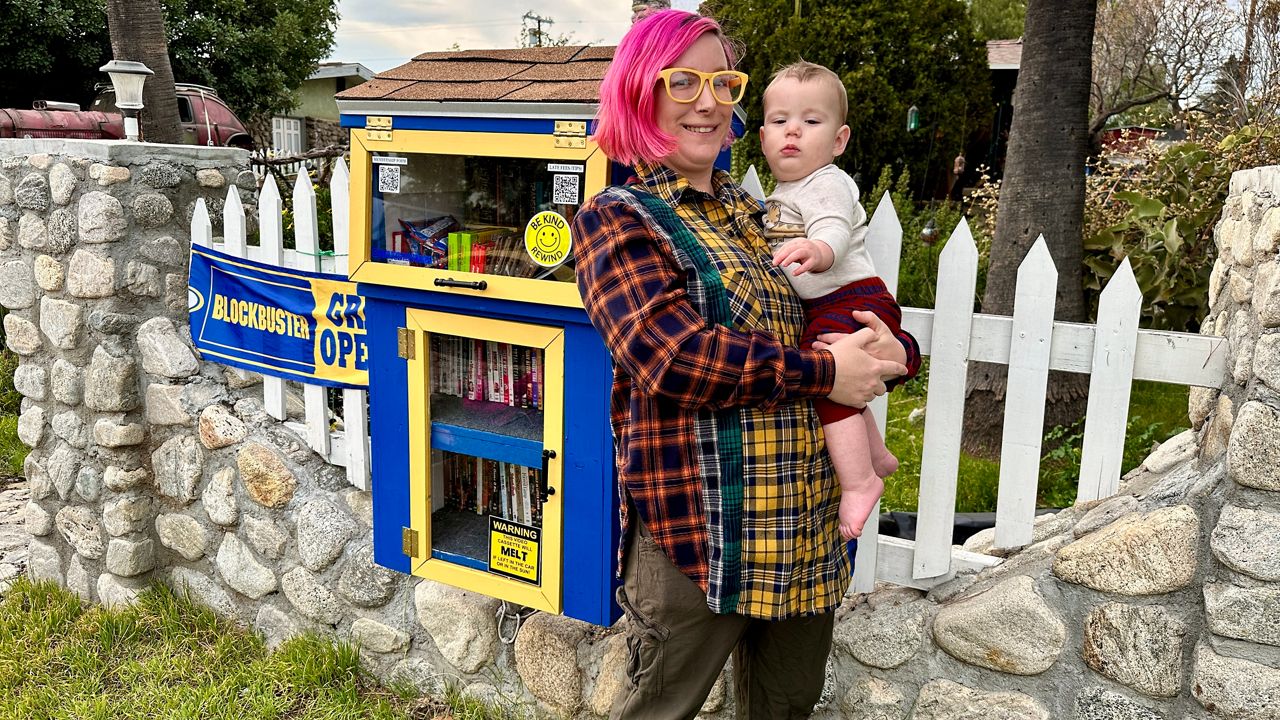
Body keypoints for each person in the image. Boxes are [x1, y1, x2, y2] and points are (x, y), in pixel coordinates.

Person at [570, 10, 920, 718]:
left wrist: (894, 352)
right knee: (658, 710)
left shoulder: (759, 211)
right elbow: (671, 355)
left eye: (723, 82)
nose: (707, 101)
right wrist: (826, 374)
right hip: (702, 538)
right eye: (683, 81)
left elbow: (834, 309)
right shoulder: (618, 218)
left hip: (802, 531)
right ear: (640, 92)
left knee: (785, 707)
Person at [758, 61, 904, 542]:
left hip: (852, 298)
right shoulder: (783, 191)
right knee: (838, 379)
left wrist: (820, 250)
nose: (793, 130)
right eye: (780, 120)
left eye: (811, 120)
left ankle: (860, 482)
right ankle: (875, 454)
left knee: (826, 380)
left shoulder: (827, 182)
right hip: (829, 303)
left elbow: (833, 227)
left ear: (839, 141)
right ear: (763, 137)